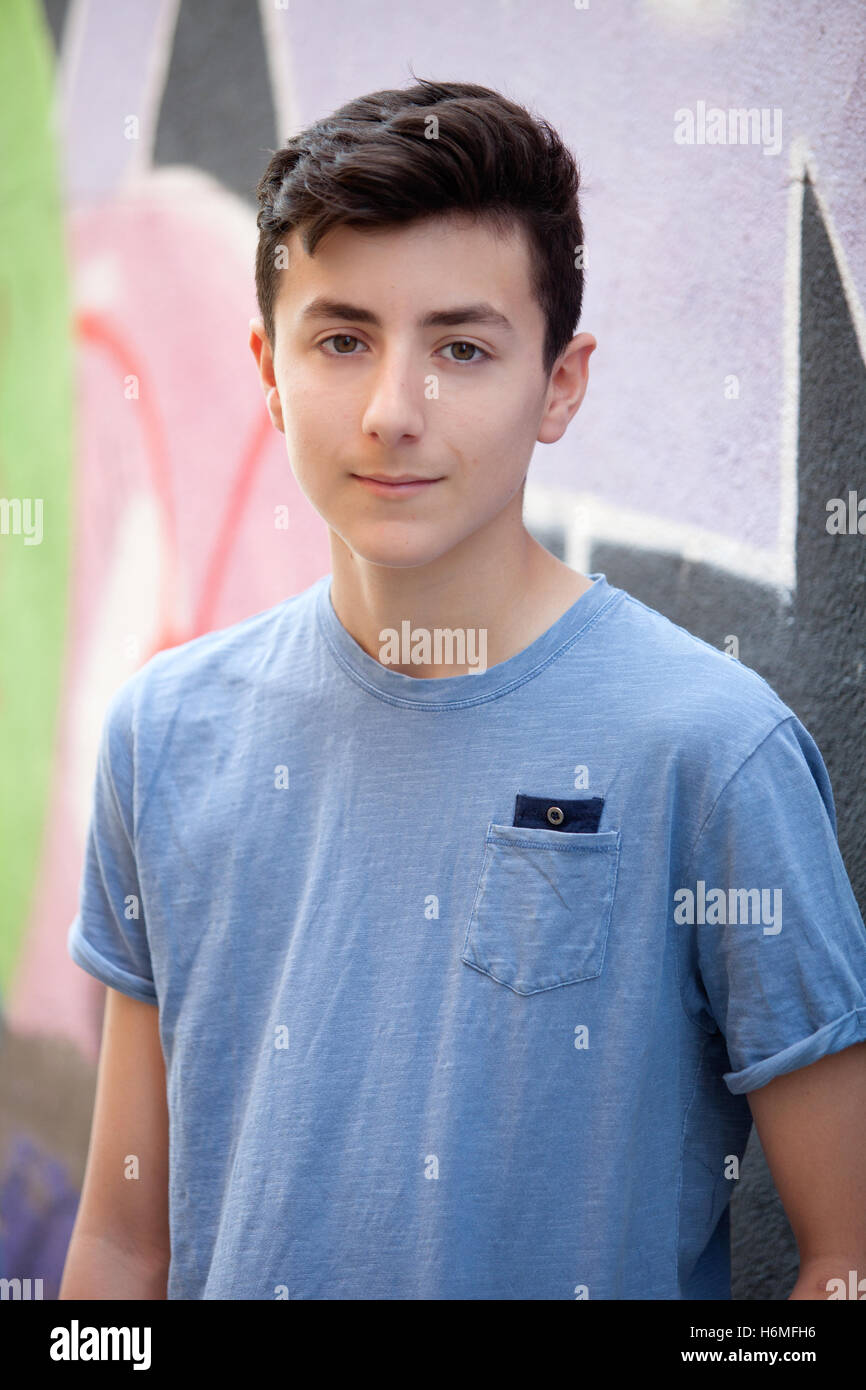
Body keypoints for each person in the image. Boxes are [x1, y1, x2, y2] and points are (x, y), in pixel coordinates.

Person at [60, 77, 866, 1301]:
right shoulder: (165, 733)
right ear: (268, 373)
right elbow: (123, 1242)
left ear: (558, 382)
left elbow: (845, 1257)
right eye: (341, 340)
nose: (393, 412)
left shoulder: (710, 748)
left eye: (461, 348)